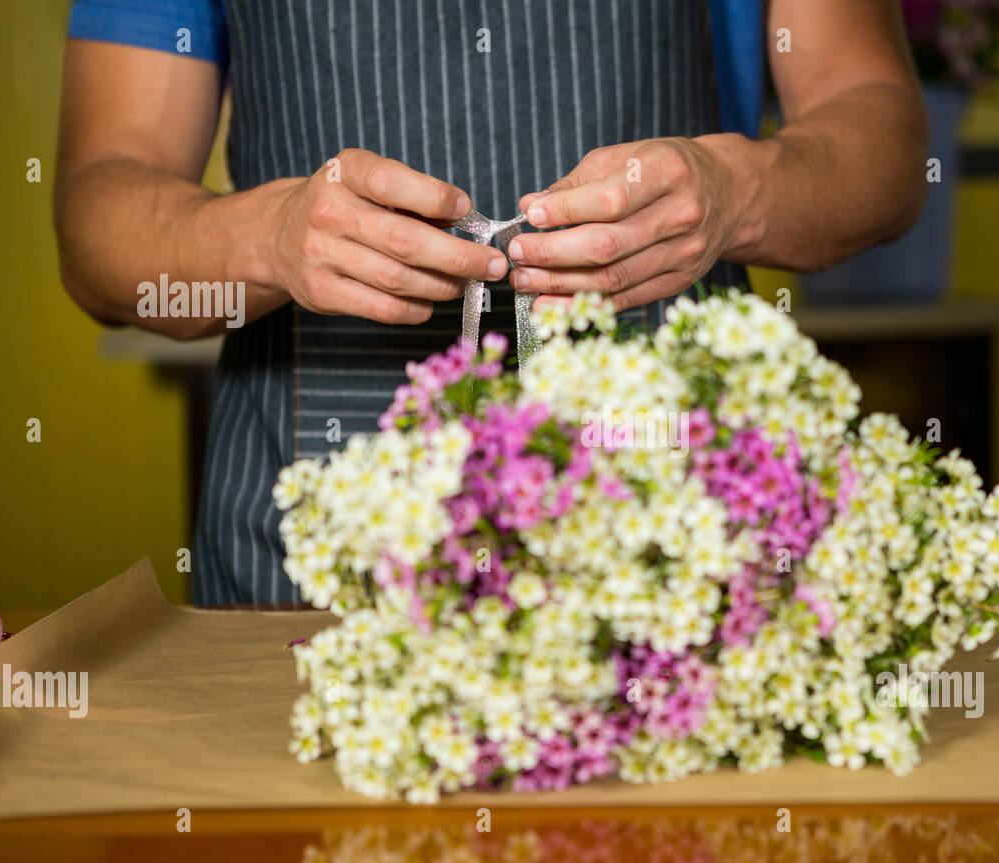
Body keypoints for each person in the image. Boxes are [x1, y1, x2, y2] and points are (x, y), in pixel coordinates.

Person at [55, 0, 927, 605]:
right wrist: (269, 238)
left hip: (679, 539)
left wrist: (739, 189)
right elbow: (97, 228)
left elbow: (881, 143)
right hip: (308, 562)